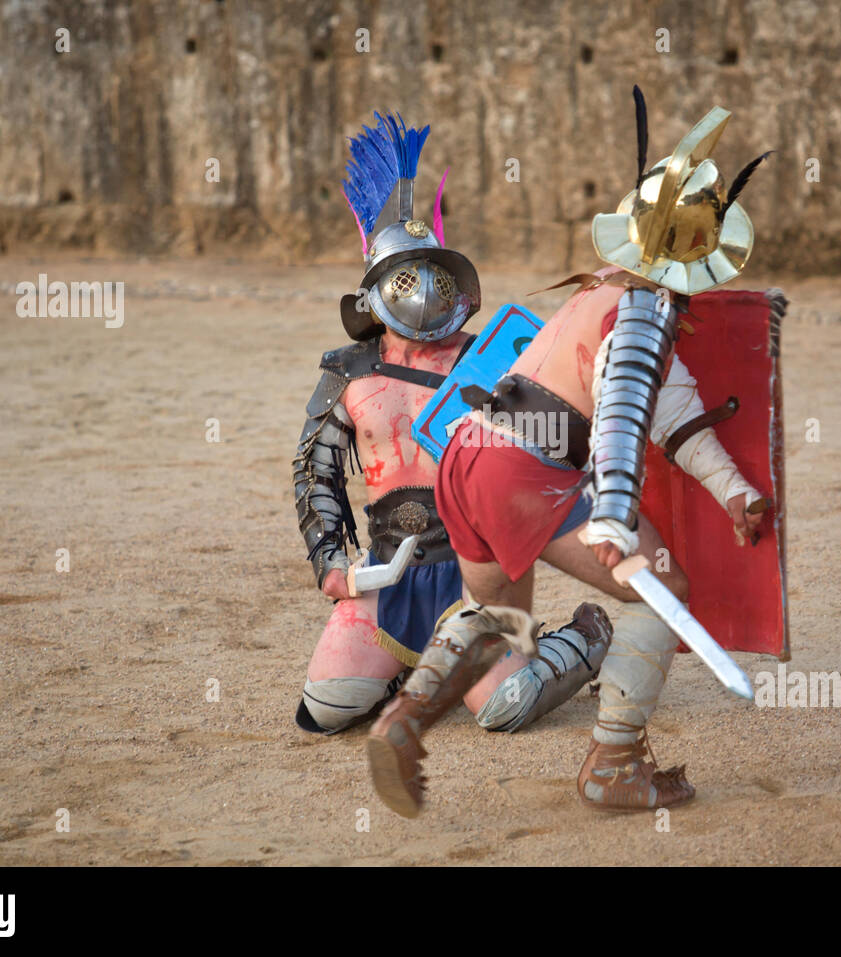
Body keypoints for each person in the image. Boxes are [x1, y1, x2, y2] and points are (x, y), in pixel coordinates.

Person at [368, 90, 774, 813]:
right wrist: (615, 512)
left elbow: (672, 416)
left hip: (468, 455)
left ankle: (407, 717)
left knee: (501, 619)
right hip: (526, 469)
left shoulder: (600, 292)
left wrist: (734, 488)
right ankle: (615, 760)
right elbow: (622, 412)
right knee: (663, 589)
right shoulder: (645, 314)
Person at [292, 112, 611, 737]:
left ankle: (583, 635)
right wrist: (333, 562)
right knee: (326, 711)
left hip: (477, 569)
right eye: (408, 276)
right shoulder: (347, 372)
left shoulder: (495, 358)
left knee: (503, 707)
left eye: (432, 270)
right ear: (376, 289)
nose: (424, 288)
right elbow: (315, 472)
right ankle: (395, 665)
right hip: (387, 575)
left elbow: (555, 446)